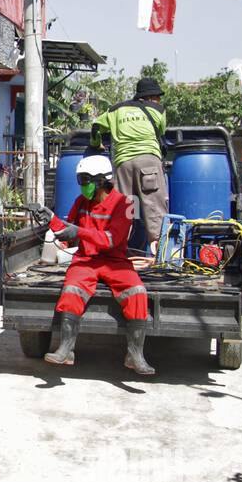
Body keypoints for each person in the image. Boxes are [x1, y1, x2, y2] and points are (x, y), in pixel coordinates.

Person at [42, 154, 155, 375]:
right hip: (86, 260)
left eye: (85, 180)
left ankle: (135, 355)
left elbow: (112, 239)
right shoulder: (81, 202)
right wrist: (50, 218)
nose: (82, 186)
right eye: (81, 181)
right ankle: (66, 348)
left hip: (115, 261)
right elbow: (67, 229)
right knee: (72, 290)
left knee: (137, 293)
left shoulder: (125, 203)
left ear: (102, 180)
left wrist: (79, 232)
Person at [90, 77, 169, 250]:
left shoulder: (115, 110)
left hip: (123, 164)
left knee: (123, 208)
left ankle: (118, 252)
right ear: (150, 97)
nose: (159, 100)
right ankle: (160, 255)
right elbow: (161, 130)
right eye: (157, 96)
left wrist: (96, 144)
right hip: (149, 162)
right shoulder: (158, 110)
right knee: (153, 206)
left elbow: (96, 126)